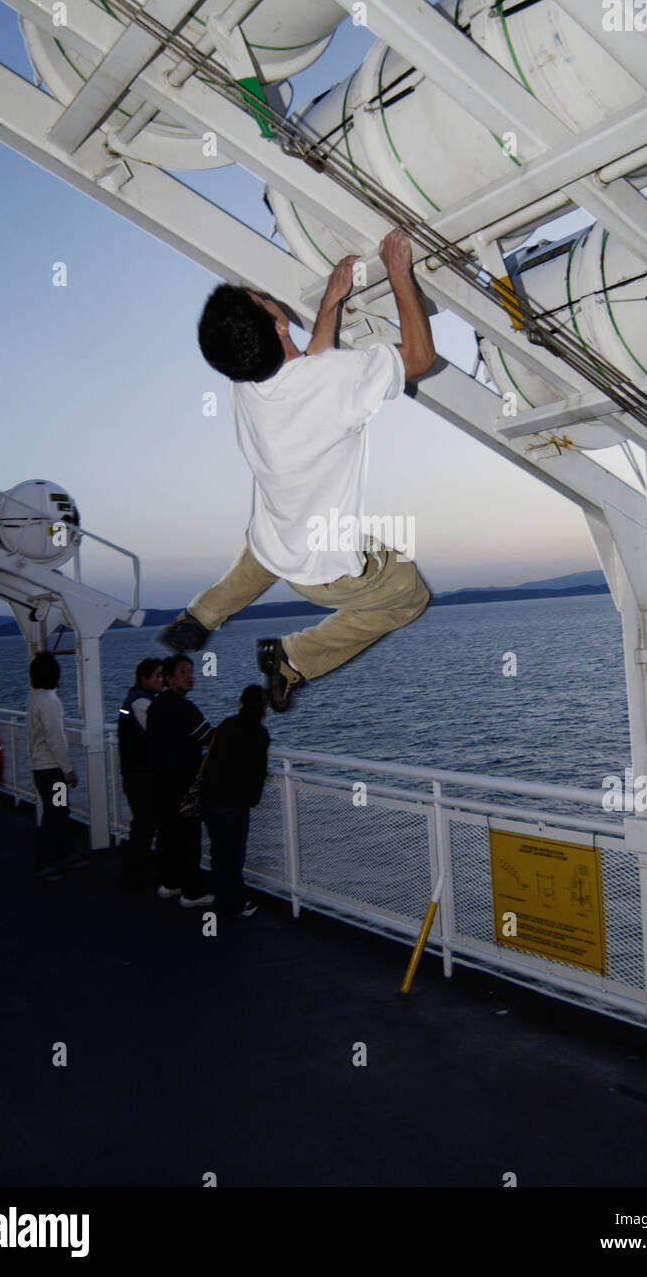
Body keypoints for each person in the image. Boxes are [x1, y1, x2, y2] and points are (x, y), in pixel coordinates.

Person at [158, 228, 435, 711]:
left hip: (273, 537)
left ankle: (201, 616)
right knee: (409, 597)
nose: (263, 295)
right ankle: (292, 657)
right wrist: (397, 271)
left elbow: (306, 370)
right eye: (260, 299)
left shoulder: (242, 381)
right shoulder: (330, 381)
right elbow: (419, 358)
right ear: (281, 324)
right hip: (326, 570)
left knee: (264, 558)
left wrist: (331, 304)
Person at [146, 653, 214, 908]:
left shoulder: (156, 706)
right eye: (184, 672)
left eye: (192, 671)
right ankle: (192, 893)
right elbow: (210, 738)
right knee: (188, 837)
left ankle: (169, 883)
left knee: (167, 834)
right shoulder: (183, 708)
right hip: (182, 784)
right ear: (169, 678)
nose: (190, 676)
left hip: (160, 781)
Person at [200, 684, 270, 919]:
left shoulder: (226, 725)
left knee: (219, 850)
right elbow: (258, 772)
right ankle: (234, 903)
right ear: (264, 708)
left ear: (241, 703)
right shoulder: (259, 734)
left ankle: (222, 897)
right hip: (235, 801)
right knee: (234, 854)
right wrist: (253, 798)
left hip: (211, 797)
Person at [26, 650, 80, 881]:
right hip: (52, 772)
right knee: (55, 815)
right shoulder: (48, 702)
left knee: (57, 812)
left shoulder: (34, 697)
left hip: (42, 769)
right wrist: (67, 770)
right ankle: (45, 864)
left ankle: (62, 856)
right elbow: (55, 739)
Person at [118, 656, 164, 893]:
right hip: (141, 775)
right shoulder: (141, 703)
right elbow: (159, 735)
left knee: (143, 823)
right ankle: (136, 873)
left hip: (134, 772)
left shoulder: (132, 699)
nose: (161, 681)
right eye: (157, 676)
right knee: (146, 823)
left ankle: (135, 870)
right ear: (143, 678)